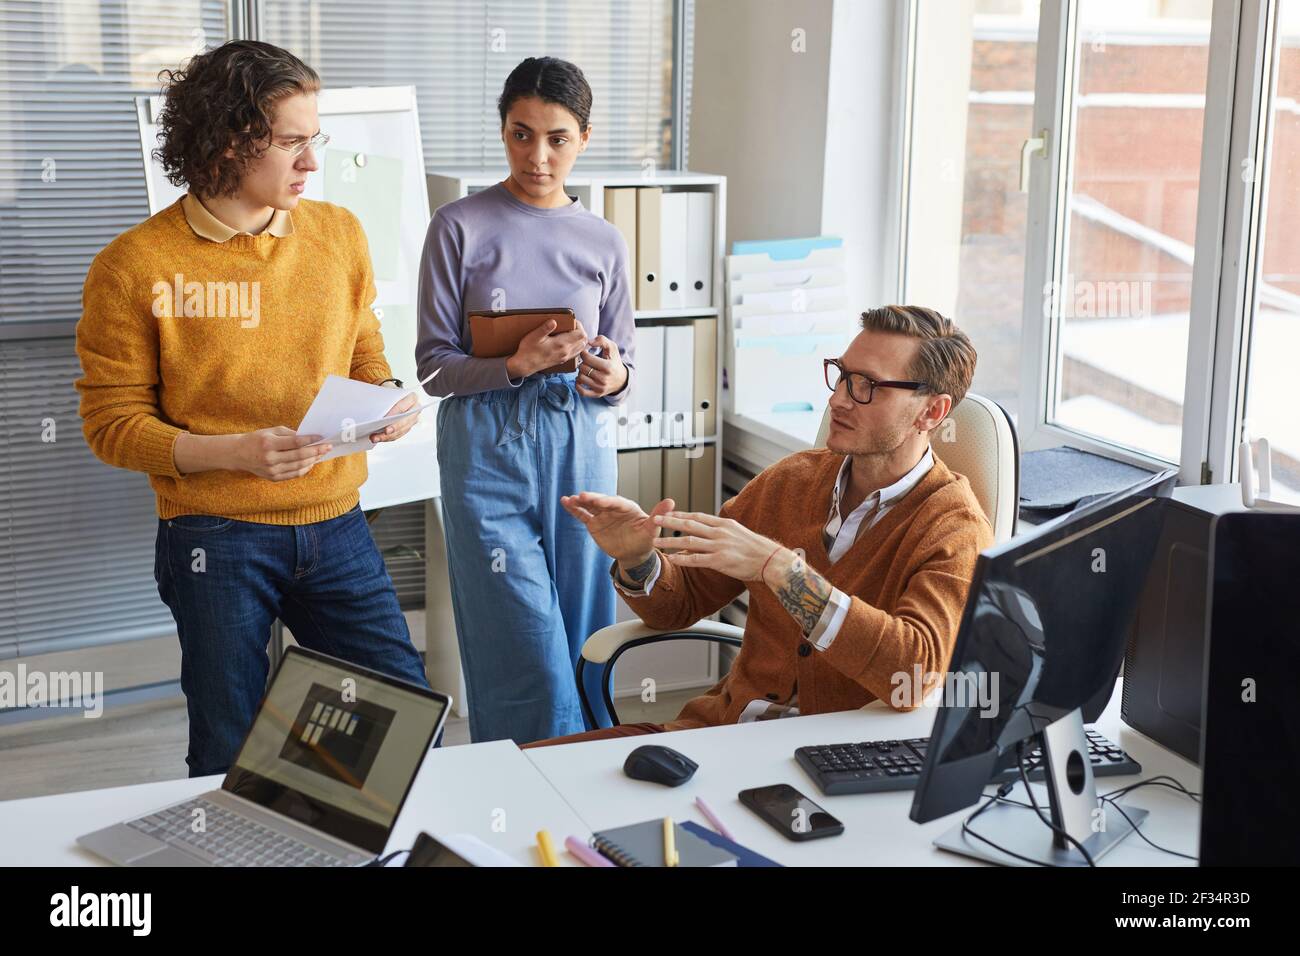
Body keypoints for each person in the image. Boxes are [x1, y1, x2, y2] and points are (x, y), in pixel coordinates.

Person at [75, 40, 428, 776]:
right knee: (229, 747)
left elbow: (365, 348)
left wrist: (388, 400)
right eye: (293, 142)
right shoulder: (134, 266)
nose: (311, 162)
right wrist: (233, 452)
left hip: (337, 523)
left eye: (314, 139)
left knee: (394, 720)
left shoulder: (338, 233)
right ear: (230, 142)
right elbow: (111, 425)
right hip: (214, 536)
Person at [527, 306, 994, 747]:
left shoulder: (956, 529)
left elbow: (914, 674)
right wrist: (637, 559)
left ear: (931, 413)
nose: (837, 399)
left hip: (832, 761)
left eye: (866, 385)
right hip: (719, 735)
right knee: (535, 771)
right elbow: (680, 604)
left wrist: (784, 572)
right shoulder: (793, 480)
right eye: (841, 375)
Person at [416, 56, 636, 744]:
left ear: (584, 139)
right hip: (485, 451)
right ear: (504, 131)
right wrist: (513, 364)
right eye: (521, 134)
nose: (538, 156)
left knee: (588, 636)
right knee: (523, 648)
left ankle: (591, 794)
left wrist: (615, 379)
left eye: (557, 138)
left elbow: (626, 358)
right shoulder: (459, 226)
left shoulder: (603, 239)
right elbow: (431, 368)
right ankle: (523, 802)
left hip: (581, 444)